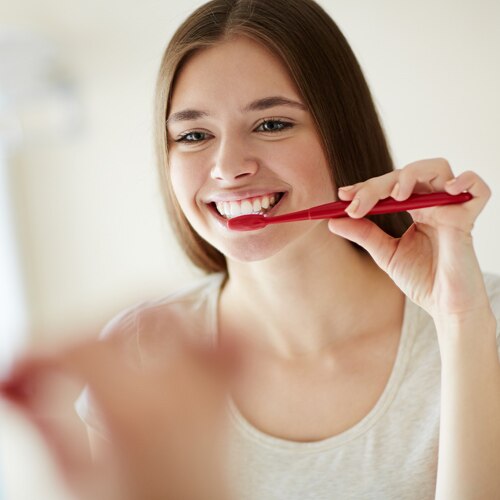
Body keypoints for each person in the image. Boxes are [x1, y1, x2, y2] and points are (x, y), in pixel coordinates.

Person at [2, 0, 500, 499]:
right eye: (194, 135)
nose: (228, 167)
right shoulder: (141, 357)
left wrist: (460, 319)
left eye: (271, 124)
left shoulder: (483, 316)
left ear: (341, 130)